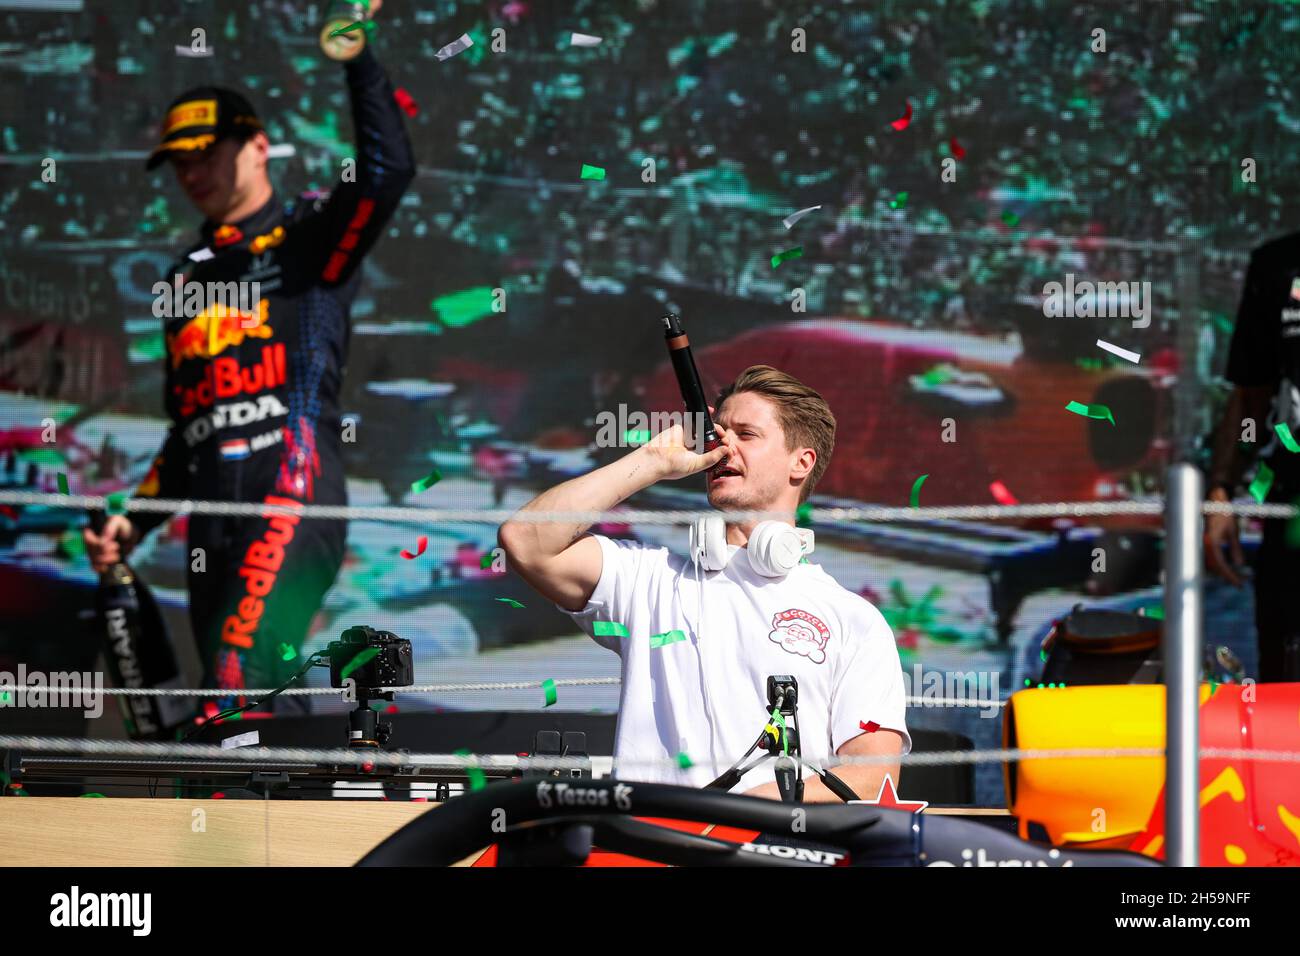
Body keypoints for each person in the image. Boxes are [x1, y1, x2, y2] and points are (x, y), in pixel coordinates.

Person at [83, 2, 415, 709]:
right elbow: (187, 430)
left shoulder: (309, 239)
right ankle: (255, 812)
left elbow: (387, 171)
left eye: (208, 150)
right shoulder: (183, 278)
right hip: (212, 517)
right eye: (179, 159)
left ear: (259, 146)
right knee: (234, 706)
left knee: (238, 678)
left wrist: (356, 58)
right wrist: (131, 522)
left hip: (292, 490)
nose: (192, 169)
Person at [499, 365, 910, 801]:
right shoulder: (648, 577)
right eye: (717, 432)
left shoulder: (853, 619)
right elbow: (525, 541)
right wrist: (653, 461)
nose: (721, 446)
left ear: (801, 462)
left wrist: (726, 817)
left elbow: (871, 782)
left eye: (746, 434)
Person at [1204, 233, 1300, 682]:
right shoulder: (1277, 264)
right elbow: (1250, 395)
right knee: (1285, 686)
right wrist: (1222, 489)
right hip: (1293, 509)